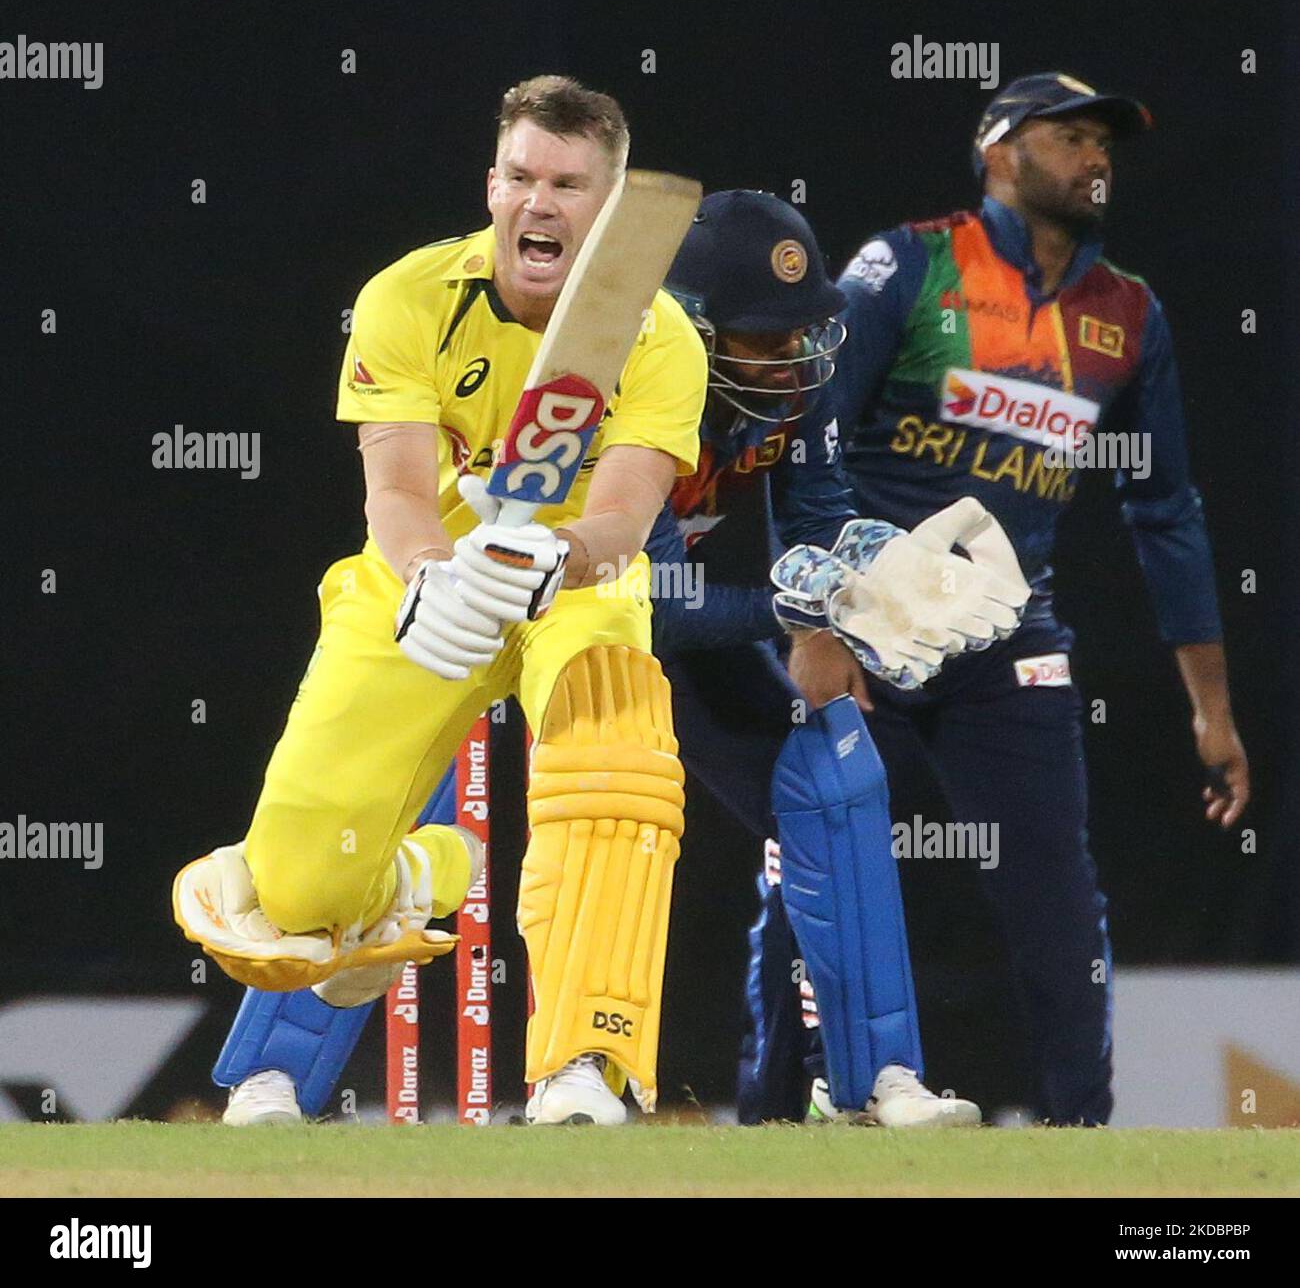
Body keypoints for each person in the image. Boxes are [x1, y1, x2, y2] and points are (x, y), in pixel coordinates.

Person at [174, 74, 710, 1127]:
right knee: (289, 906)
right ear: (492, 184)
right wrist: (431, 577)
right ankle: (423, 873)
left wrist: (547, 561)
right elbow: (397, 488)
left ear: (605, 208)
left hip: (572, 586)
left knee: (617, 759)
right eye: (520, 176)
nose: (538, 202)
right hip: (425, 579)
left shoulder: (662, 338)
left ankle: (581, 1071)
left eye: (566, 183)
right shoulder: (406, 296)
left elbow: (623, 518)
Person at [754, 73, 1250, 1125]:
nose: (1092, 159)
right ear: (997, 151)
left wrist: (1209, 706)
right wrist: (821, 619)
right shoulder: (908, 265)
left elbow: (1163, 511)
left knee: (1057, 904)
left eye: (1101, 143)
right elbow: (805, 439)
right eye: (1066, 137)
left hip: (1003, 640)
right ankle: (767, 1120)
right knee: (814, 876)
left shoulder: (1128, 314)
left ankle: (1081, 1136)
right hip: (861, 627)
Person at [650, 190, 1027, 1124]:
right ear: (692, 329)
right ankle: (277, 1070)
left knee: (837, 775)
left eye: (804, 332)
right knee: (410, 821)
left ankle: (867, 1079)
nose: (796, 359)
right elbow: (643, 603)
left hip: (661, 613)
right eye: (766, 340)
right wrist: (793, 608)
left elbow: (816, 523)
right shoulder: (636, 381)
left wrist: (876, 578)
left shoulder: (791, 385)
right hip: (540, 632)